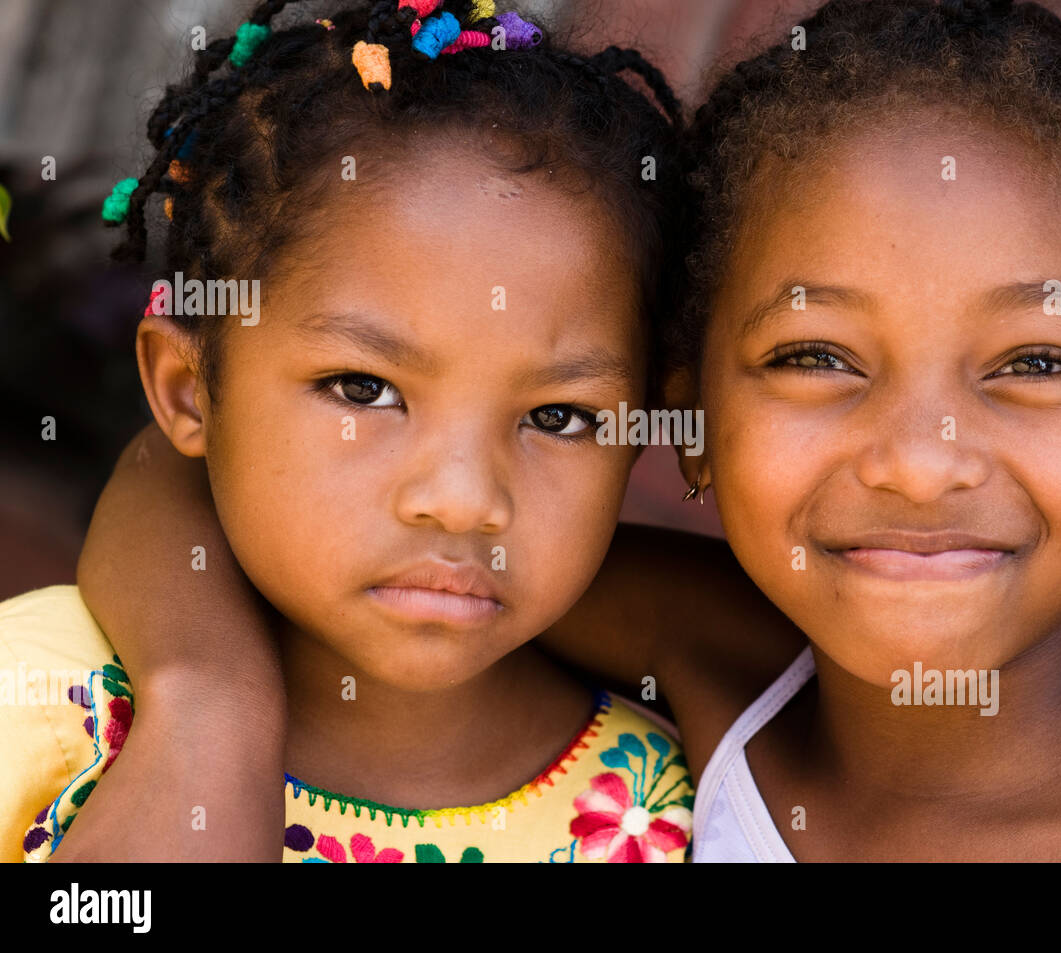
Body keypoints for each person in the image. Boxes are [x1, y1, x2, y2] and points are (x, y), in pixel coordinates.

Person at [35, 0, 1061, 862]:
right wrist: (209, 728)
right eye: (814, 356)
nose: (920, 461)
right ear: (686, 413)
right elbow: (208, 476)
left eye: (1035, 362)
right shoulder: (727, 664)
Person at [0, 0, 696, 863]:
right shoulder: (36, 706)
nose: (461, 500)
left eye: (558, 417)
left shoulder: (663, 806)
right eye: (363, 389)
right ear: (187, 392)